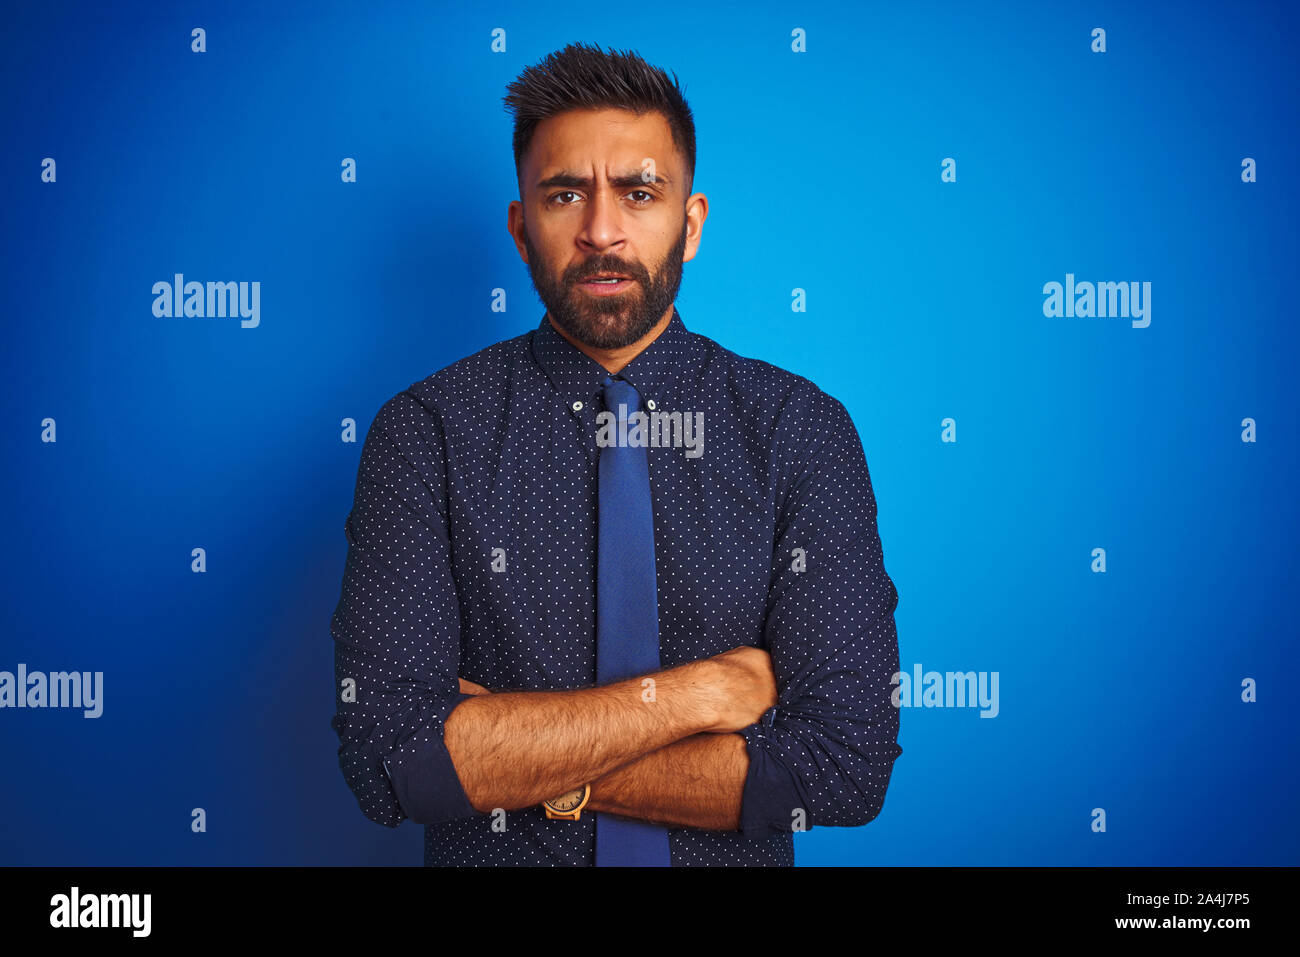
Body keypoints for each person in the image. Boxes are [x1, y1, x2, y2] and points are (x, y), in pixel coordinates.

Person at [329, 41, 903, 866]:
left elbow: (843, 770)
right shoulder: (425, 433)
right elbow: (392, 761)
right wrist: (700, 694)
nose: (602, 231)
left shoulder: (801, 431)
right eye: (566, 194)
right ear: (523, 229)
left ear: (690, 223)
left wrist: (523, 754)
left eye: (639, 192)